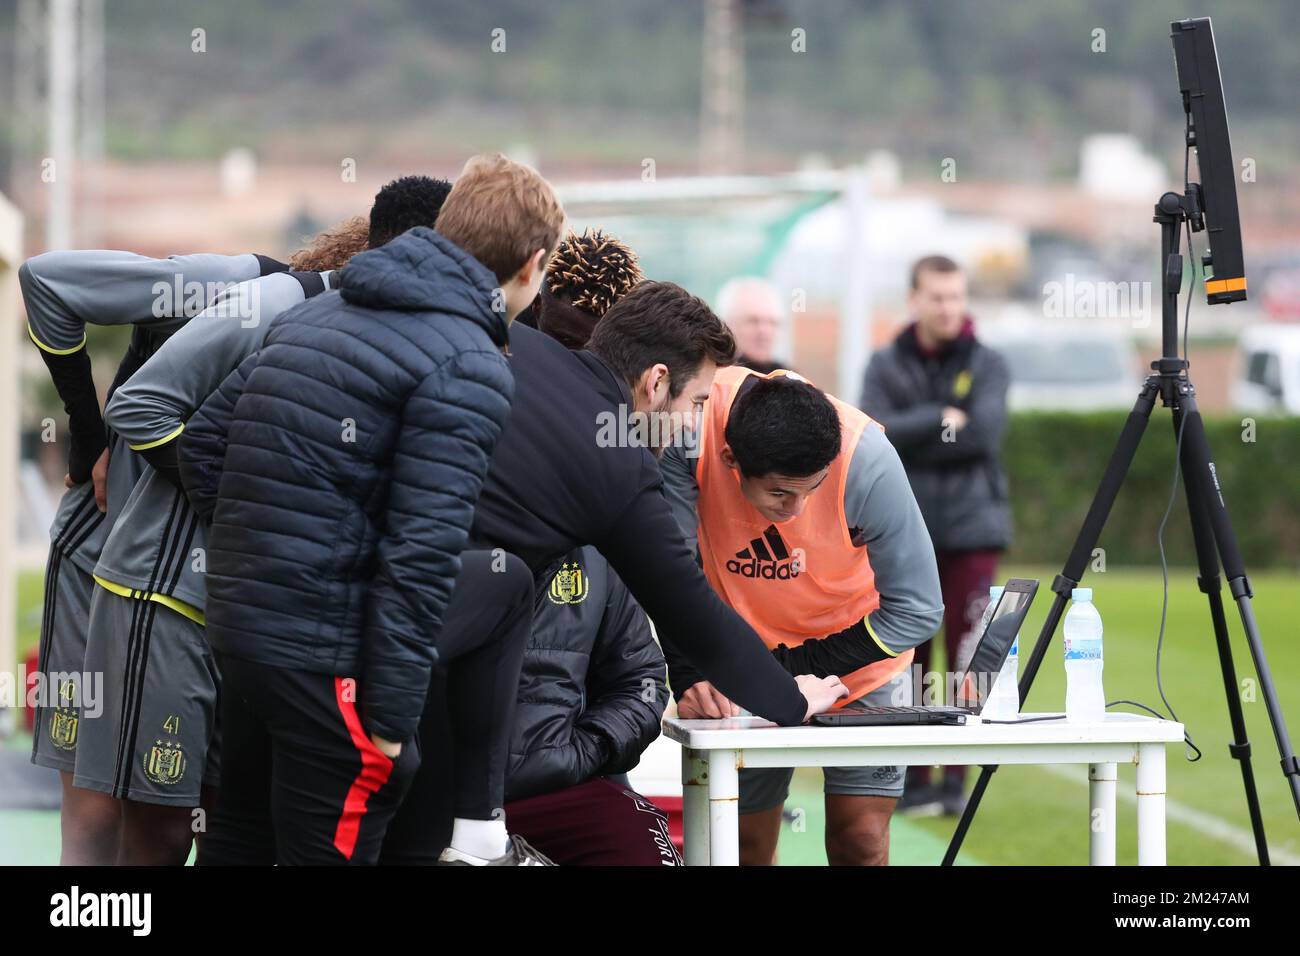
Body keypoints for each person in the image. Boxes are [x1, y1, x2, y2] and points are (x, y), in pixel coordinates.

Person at [177, 154, 566, 865]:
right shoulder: (468, 361)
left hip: (243, 633)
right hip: (327, 663)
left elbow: (203, 441)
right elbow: (424, 548)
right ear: (532, 264)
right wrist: (388, 721)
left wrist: (258, 559)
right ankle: (479, 827)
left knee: (238, 836)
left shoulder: (319, 310)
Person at [92, 179, 448, 865]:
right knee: (161, 832)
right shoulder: (282, 303)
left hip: (243, 606)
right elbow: (139, 405)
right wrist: (243, 510)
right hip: (161, 594)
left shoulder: (372, 335)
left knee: (227, 818)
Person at [384, 230, 677, 866]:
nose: (566, 387)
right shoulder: (438, 460)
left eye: (588, 363)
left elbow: (641, 679)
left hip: (559, 783)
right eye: (555, 352)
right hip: (429, 786)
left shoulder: (615, 502)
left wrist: (581, 752)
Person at [466, 280, 849, 728]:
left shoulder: (515, 340)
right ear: (657, 381)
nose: (693, 426)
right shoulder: (619, 467)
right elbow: (691, 609)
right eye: (697, 403)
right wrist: (790, 699)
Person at [21, 243, 290, 864]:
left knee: (166, 810)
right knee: (102, 811)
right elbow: (47, 279)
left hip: (174, 579)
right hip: (101, 558)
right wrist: (88, 436)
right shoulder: (247, 285)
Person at [660, 369, 943, 865]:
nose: (797, 510)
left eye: (811, 490)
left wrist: (780, 671)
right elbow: (668, 570)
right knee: (740, 841)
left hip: (859, 664)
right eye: (780, 495)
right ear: (731, 461)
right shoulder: (692, 426)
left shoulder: (868, 458)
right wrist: (690, 672)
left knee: (861, 838)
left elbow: (918, 611)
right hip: (740, 667)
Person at [859, 254, 1011, 817]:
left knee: (971, 654)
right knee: (911, 656)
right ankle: (913, 779)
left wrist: (917, 426)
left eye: (956, 296)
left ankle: (957, 779)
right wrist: (943, 416)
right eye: (937, 296)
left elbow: (984, 434)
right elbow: (876, 433)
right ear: (914, 299)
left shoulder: (989, 362)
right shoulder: (885, 362)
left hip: (974, 530)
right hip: (906, 530)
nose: (948, 307)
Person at [715, 276, 792, 373]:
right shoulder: (712, 380)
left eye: (772, 322)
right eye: (753, 321)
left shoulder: (791, 379)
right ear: (726, 325)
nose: (764, 331)